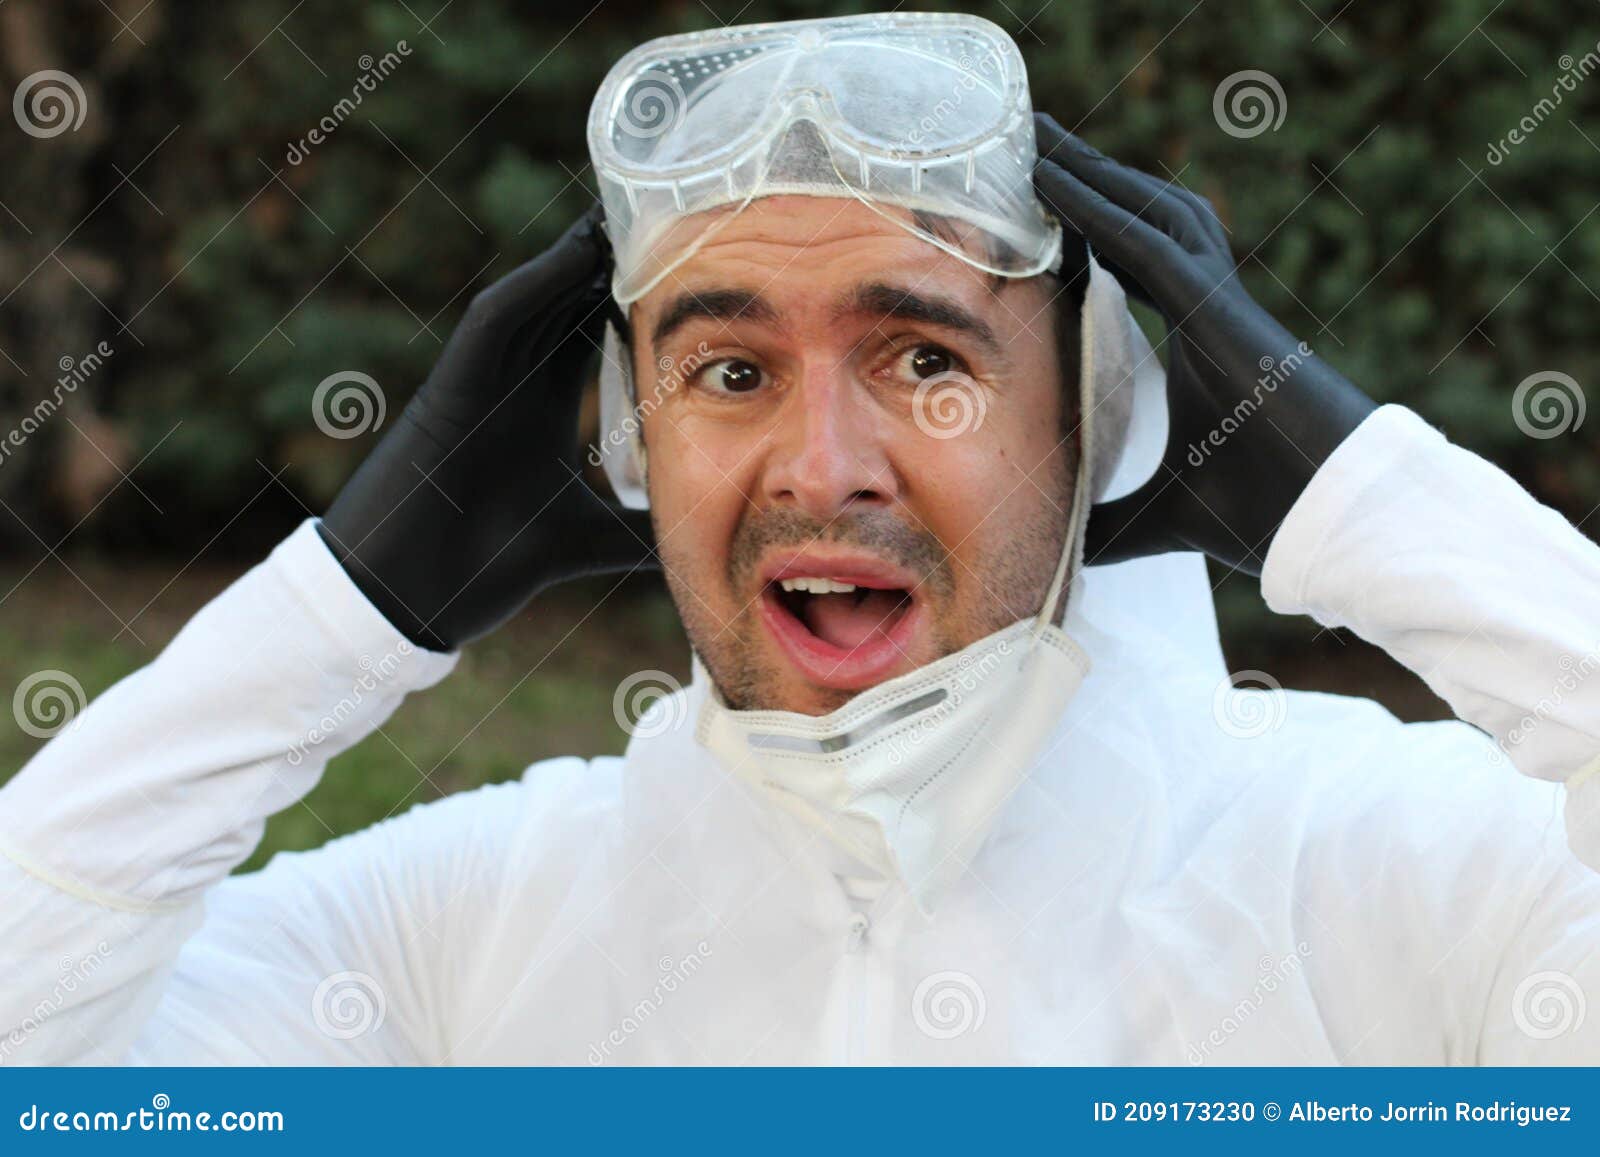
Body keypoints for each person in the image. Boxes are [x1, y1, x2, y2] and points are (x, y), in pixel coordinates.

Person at [1, 13, 1596, 1066]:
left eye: (925, 360)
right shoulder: (478, 920)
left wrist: (1363, 500)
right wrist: (355, 607)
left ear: (1097, 417)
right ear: (633, 433)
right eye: (731, 370)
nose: (820, 466)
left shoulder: (1392, 870)